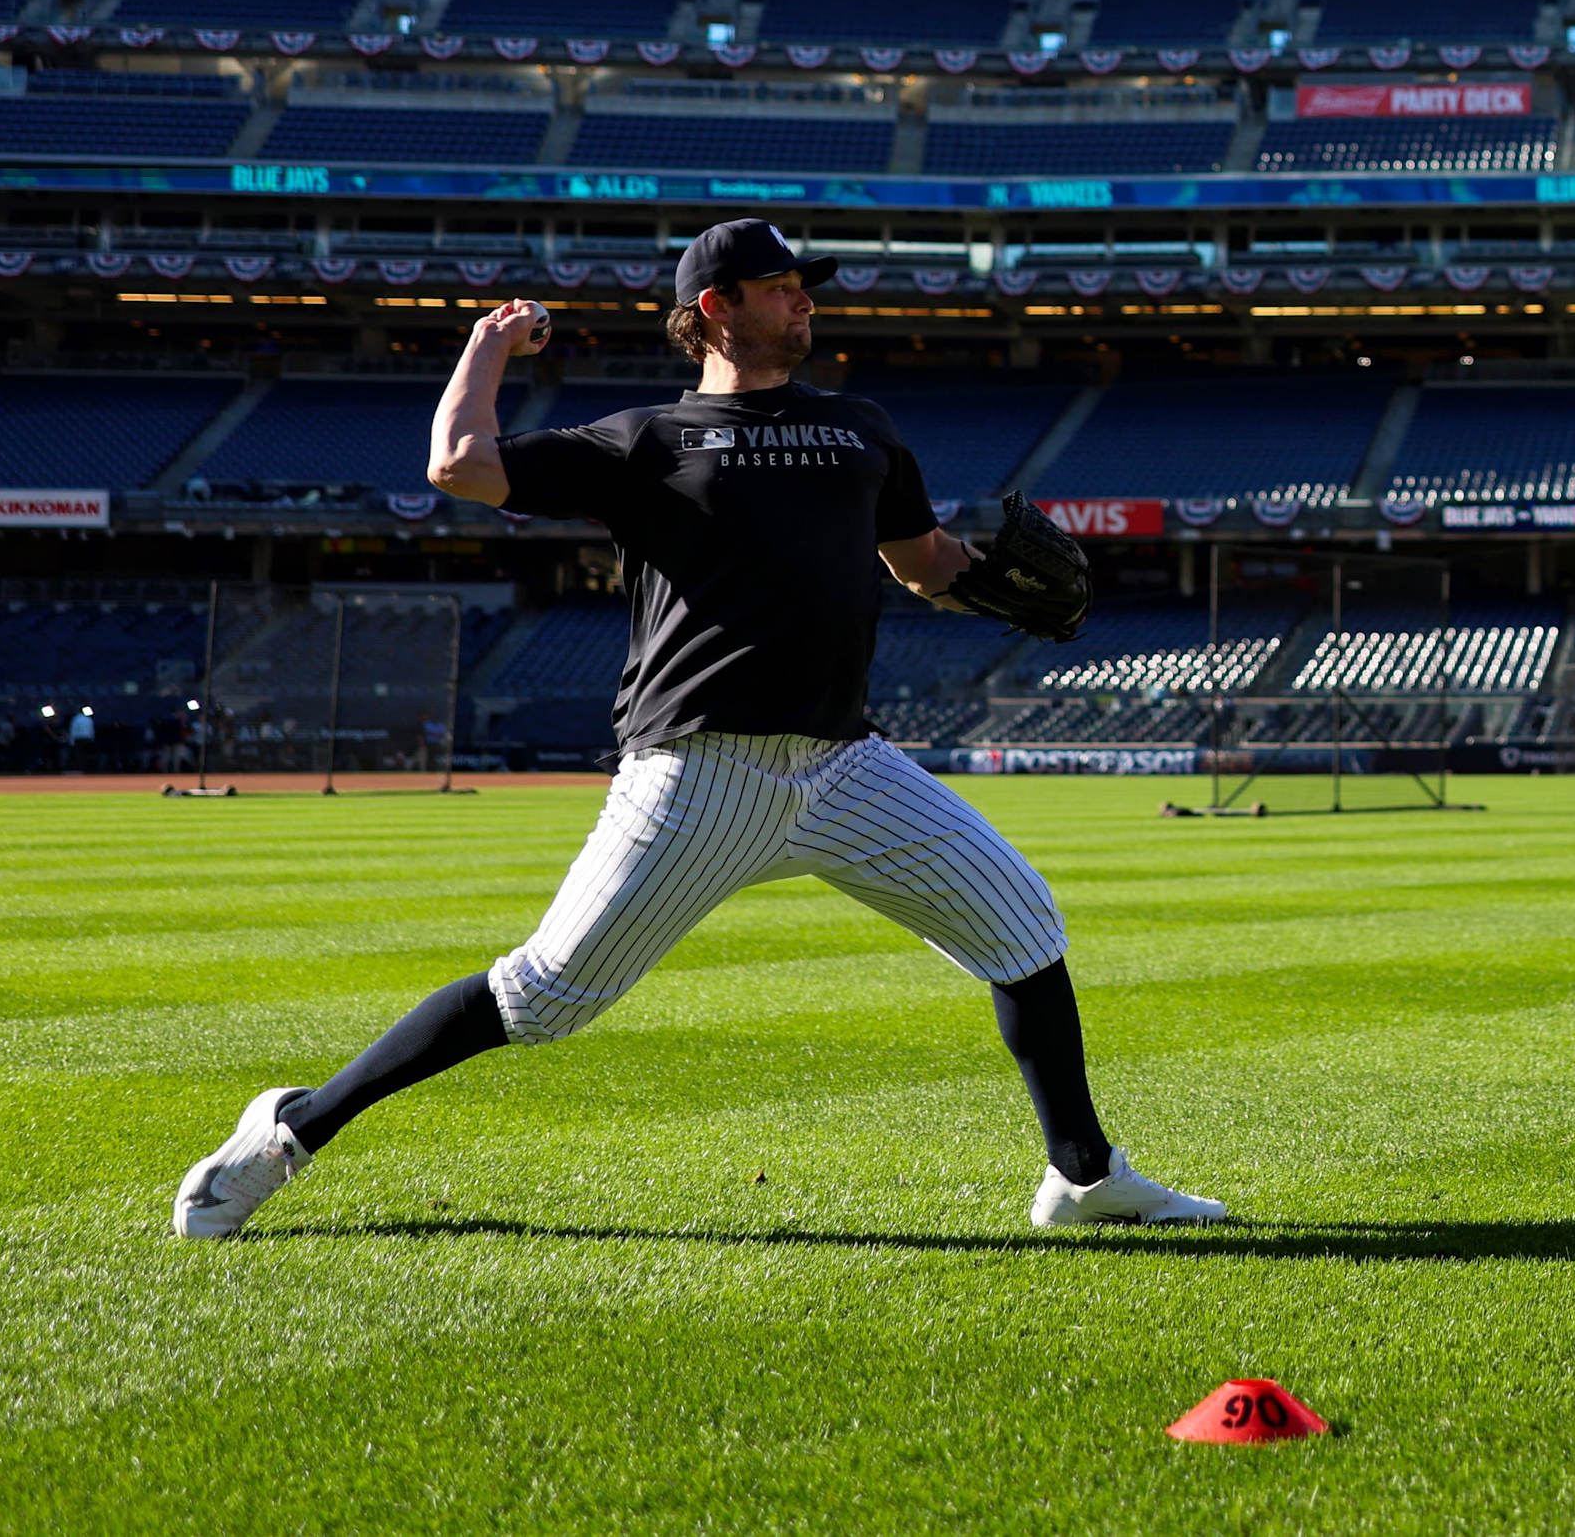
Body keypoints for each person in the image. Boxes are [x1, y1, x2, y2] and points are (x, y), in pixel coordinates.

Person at [170, 217, 1222, 1238]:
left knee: (1023, 928)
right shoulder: (645, 439)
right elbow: (459, 464)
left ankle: (1084, 1174)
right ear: (715, 307)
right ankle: (290, 1127)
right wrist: (489, 343)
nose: (803, 301)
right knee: (541, 999)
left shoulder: (864, 426)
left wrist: (1002, 584)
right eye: (781, 287)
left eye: (804, 286)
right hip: (700, 769)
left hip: (846, 763)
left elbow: (920, 560)